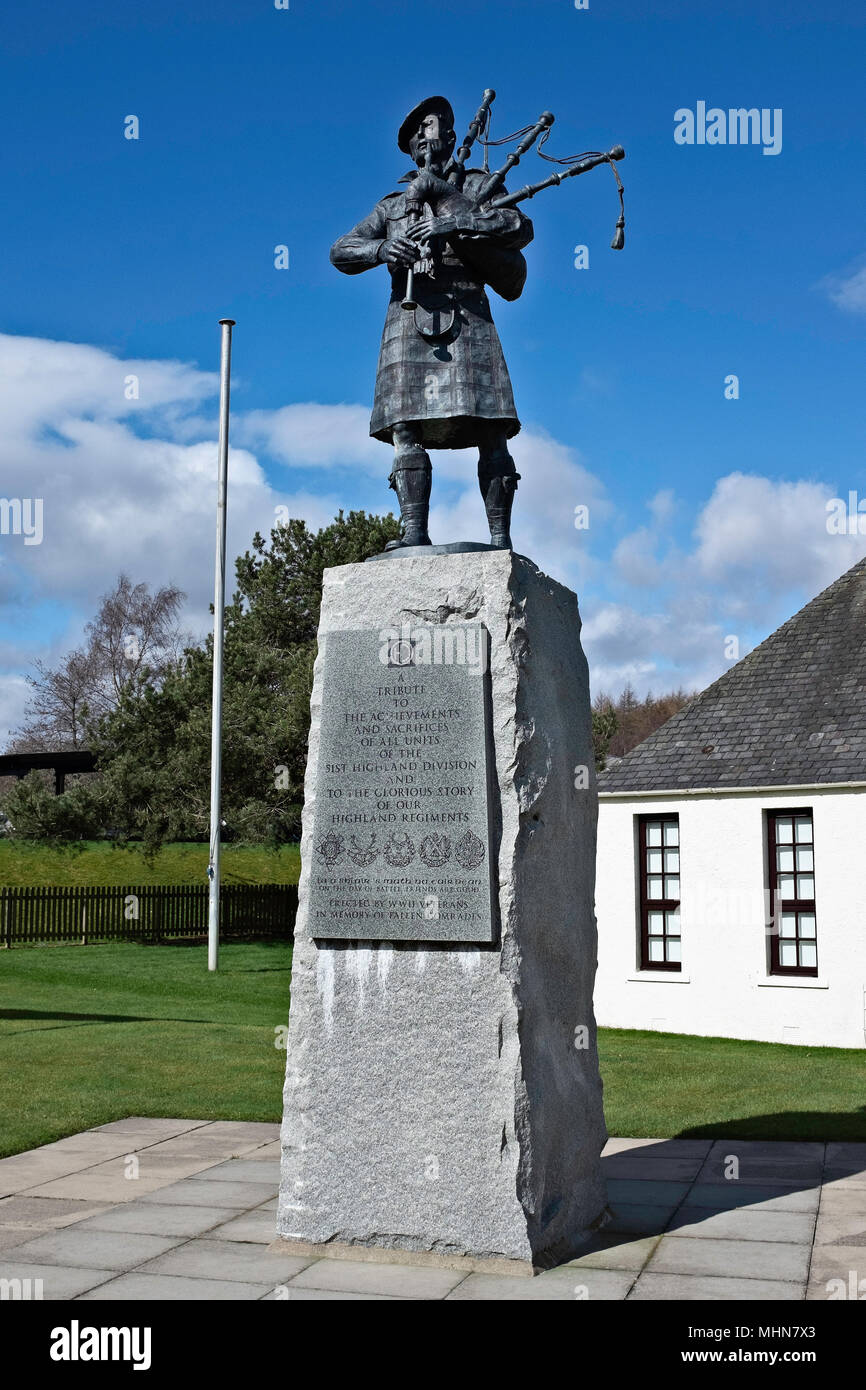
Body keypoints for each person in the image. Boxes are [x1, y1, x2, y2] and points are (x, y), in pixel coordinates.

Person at [330, 95, 534, 550]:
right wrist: (381, 250)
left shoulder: (479, 186)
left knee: (491, 428)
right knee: (406, 427)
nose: (431, 133)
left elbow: (519, 226)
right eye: (422, 127)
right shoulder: (391, 206)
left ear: (453, 136)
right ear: (409, 145)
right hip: (409, 317)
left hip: (469, 316)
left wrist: (458, 219)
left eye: (439, 125)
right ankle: (413, 533)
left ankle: (500, 541)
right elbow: (341, 250)